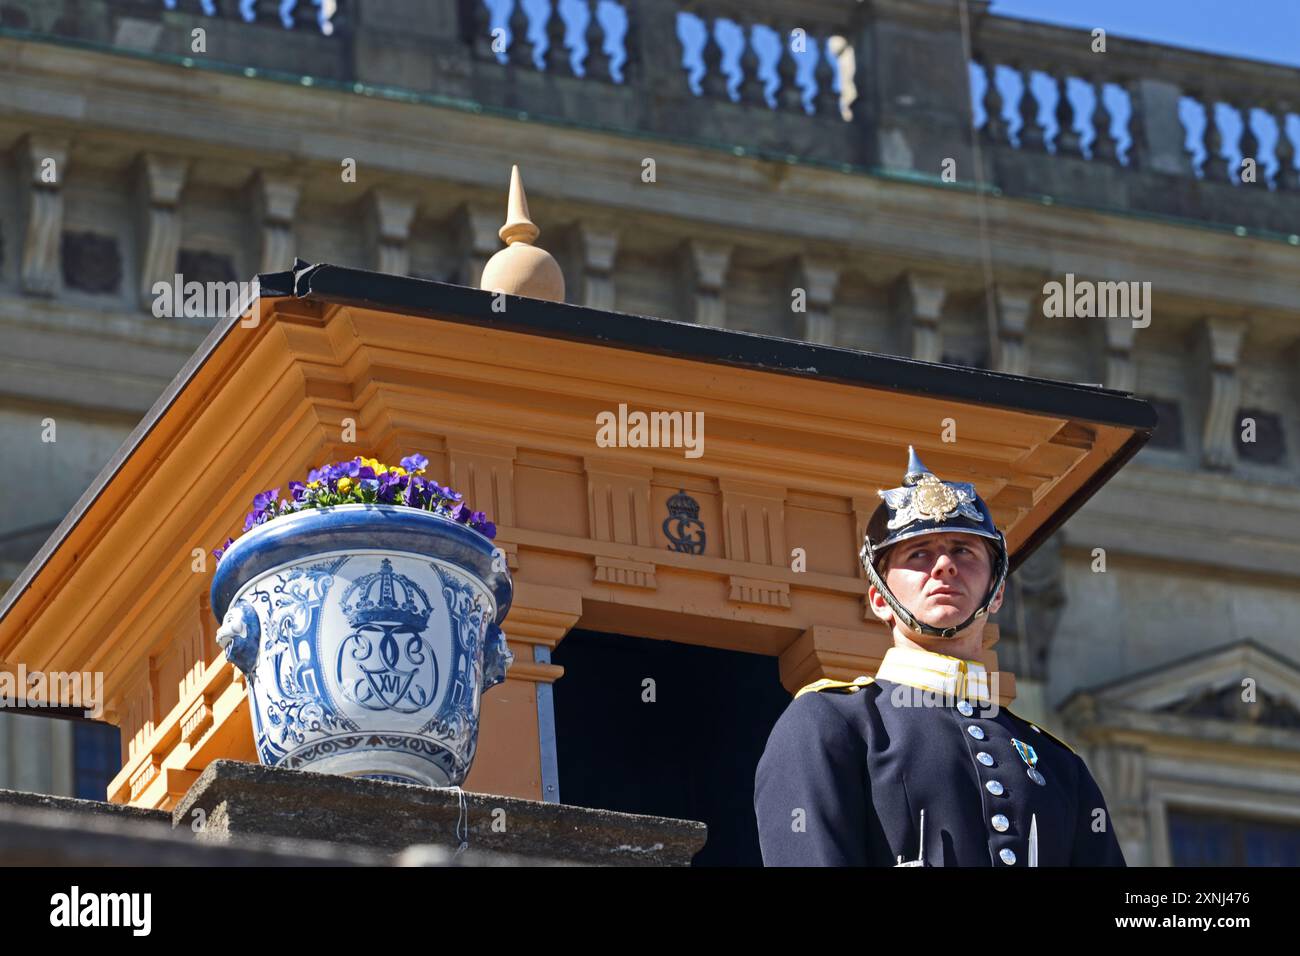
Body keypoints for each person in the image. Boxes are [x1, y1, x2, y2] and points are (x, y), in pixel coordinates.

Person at [753, 447, 1126, 866]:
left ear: (997, 591)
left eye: (964, 551)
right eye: (919, 553)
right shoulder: (831, 722)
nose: (945, 565)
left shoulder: (1059, 764)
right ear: (879, 598)